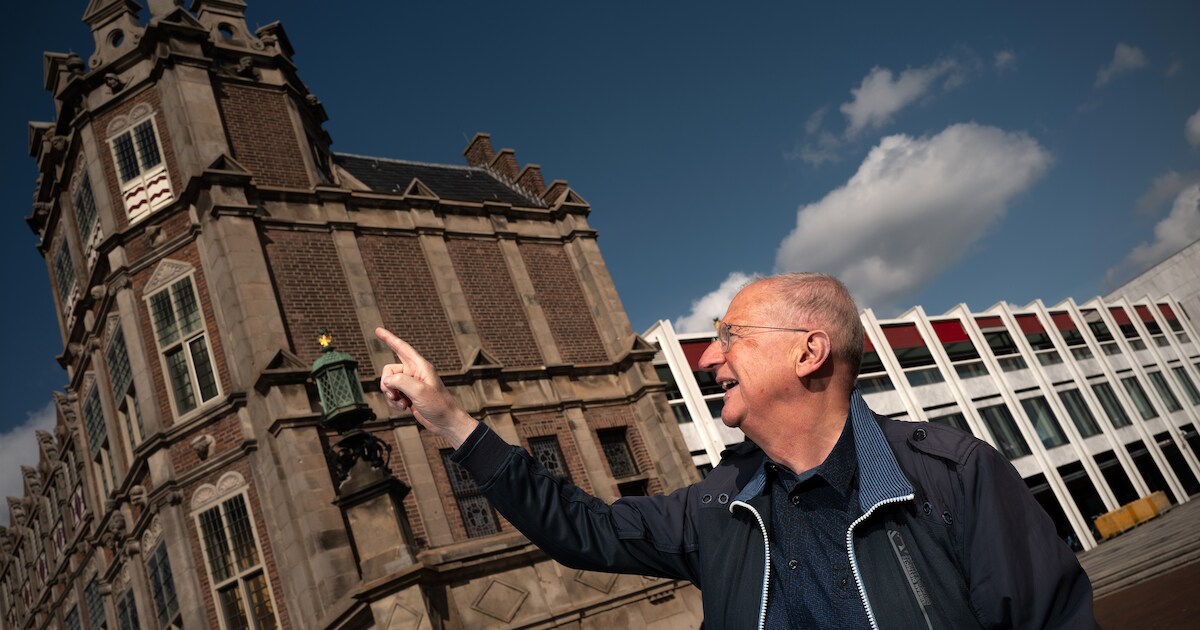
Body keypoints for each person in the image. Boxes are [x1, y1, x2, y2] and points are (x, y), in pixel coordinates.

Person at [376, 273, 1097, 629]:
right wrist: (451, 421)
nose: (709, 360)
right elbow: (584, 528)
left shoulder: (952, 476)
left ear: (810, 352)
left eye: (731, 337)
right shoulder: (717, 508)